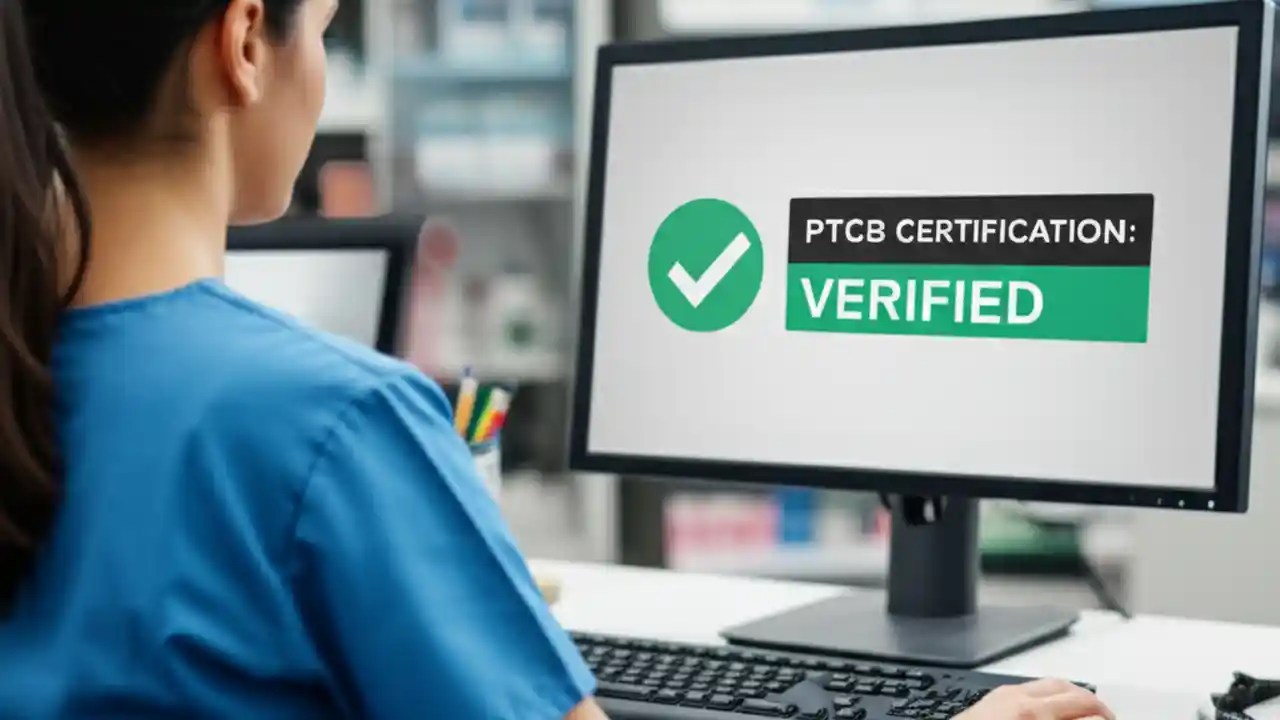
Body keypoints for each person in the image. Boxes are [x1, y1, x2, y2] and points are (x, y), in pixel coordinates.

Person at [0, 1, 1114, 718]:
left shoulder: (33, 374)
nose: (322, 72)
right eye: (326, 33)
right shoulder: (330, 426)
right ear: (245, 44)